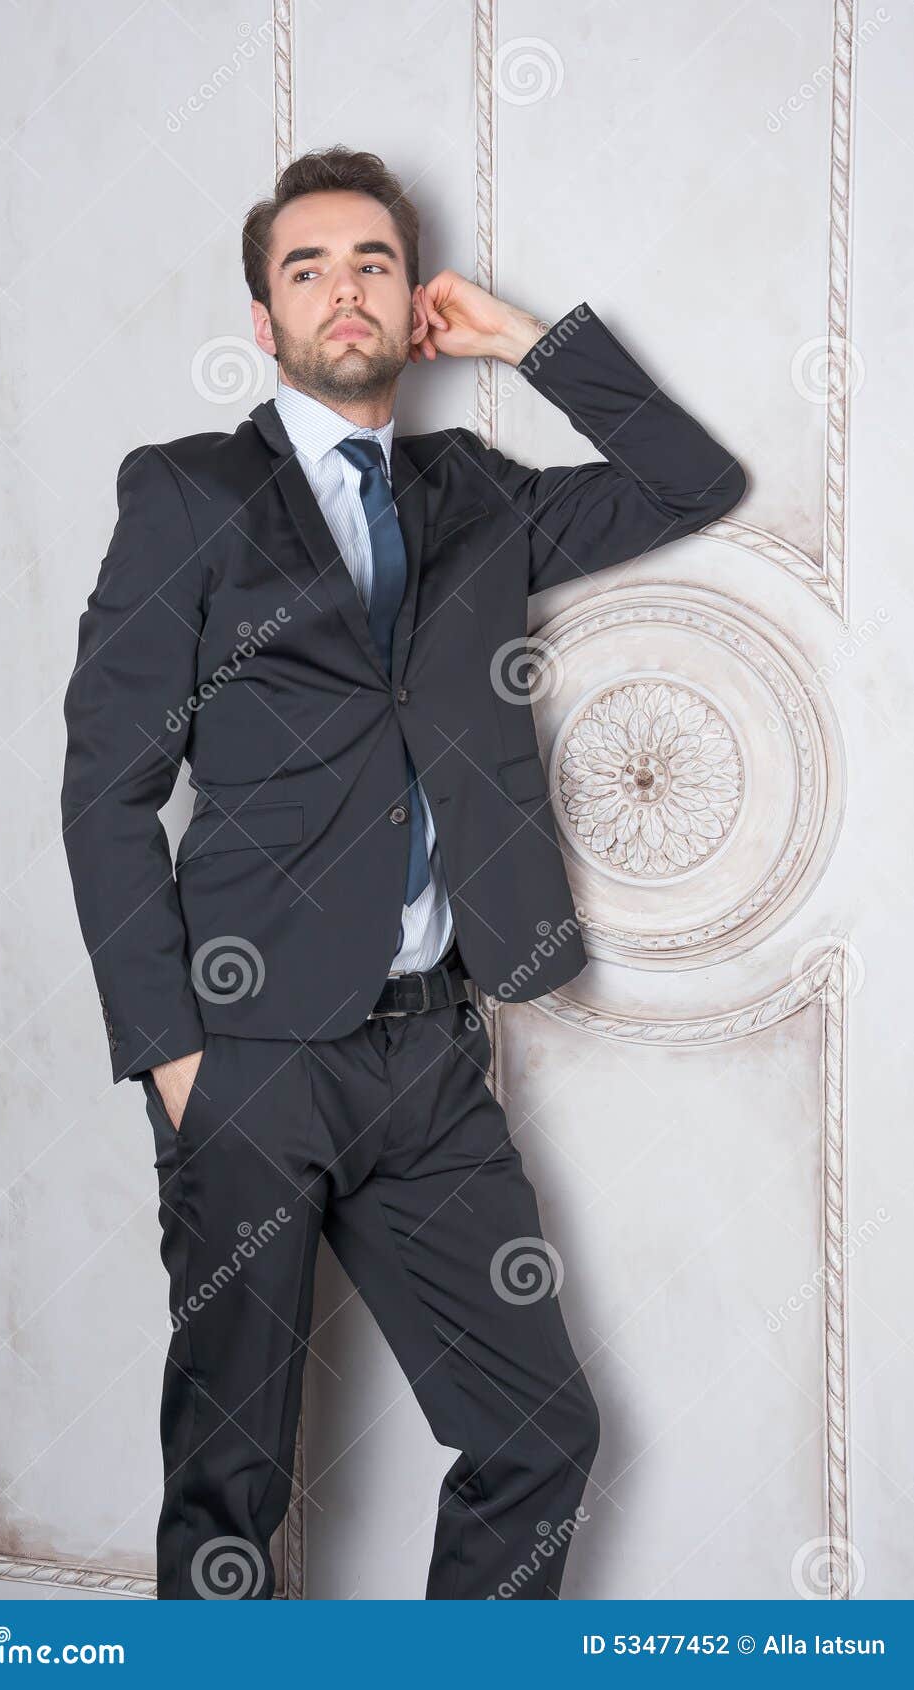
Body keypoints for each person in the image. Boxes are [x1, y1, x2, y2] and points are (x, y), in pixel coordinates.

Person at [61, 144, 746, 1600]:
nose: (342, 289)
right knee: (230, 1476)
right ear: (264, 319)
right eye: (304, 268)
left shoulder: (471, 494)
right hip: (246, 1054)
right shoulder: (188, 496)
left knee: (538, 1434)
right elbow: (106, 787)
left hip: (429, 1055)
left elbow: (691, 480)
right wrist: (172, 1057)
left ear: (407, 296)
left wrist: (522, 339)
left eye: (370, 260)